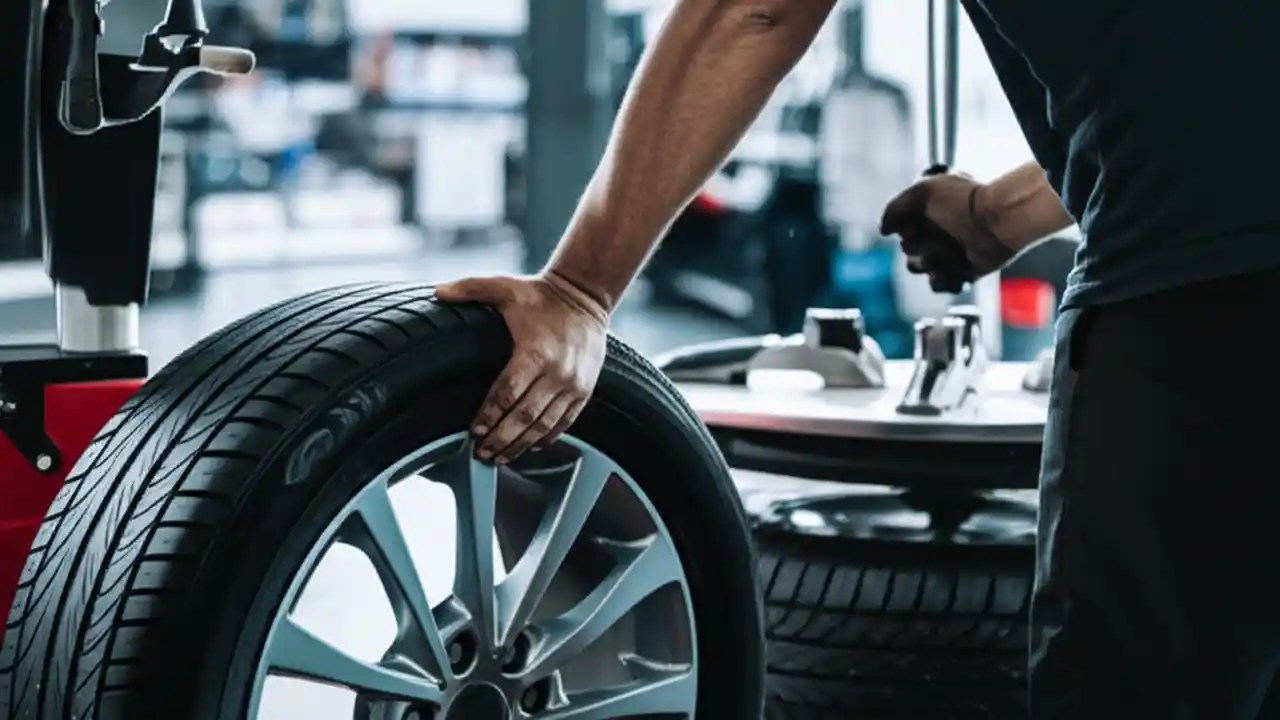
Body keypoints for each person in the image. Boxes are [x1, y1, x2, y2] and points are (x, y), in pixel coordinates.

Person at [438, 1, 1280, 716]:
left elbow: (755, 11)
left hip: (1206, 302)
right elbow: (1216, 93)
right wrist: (996, 215)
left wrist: (581, 287)